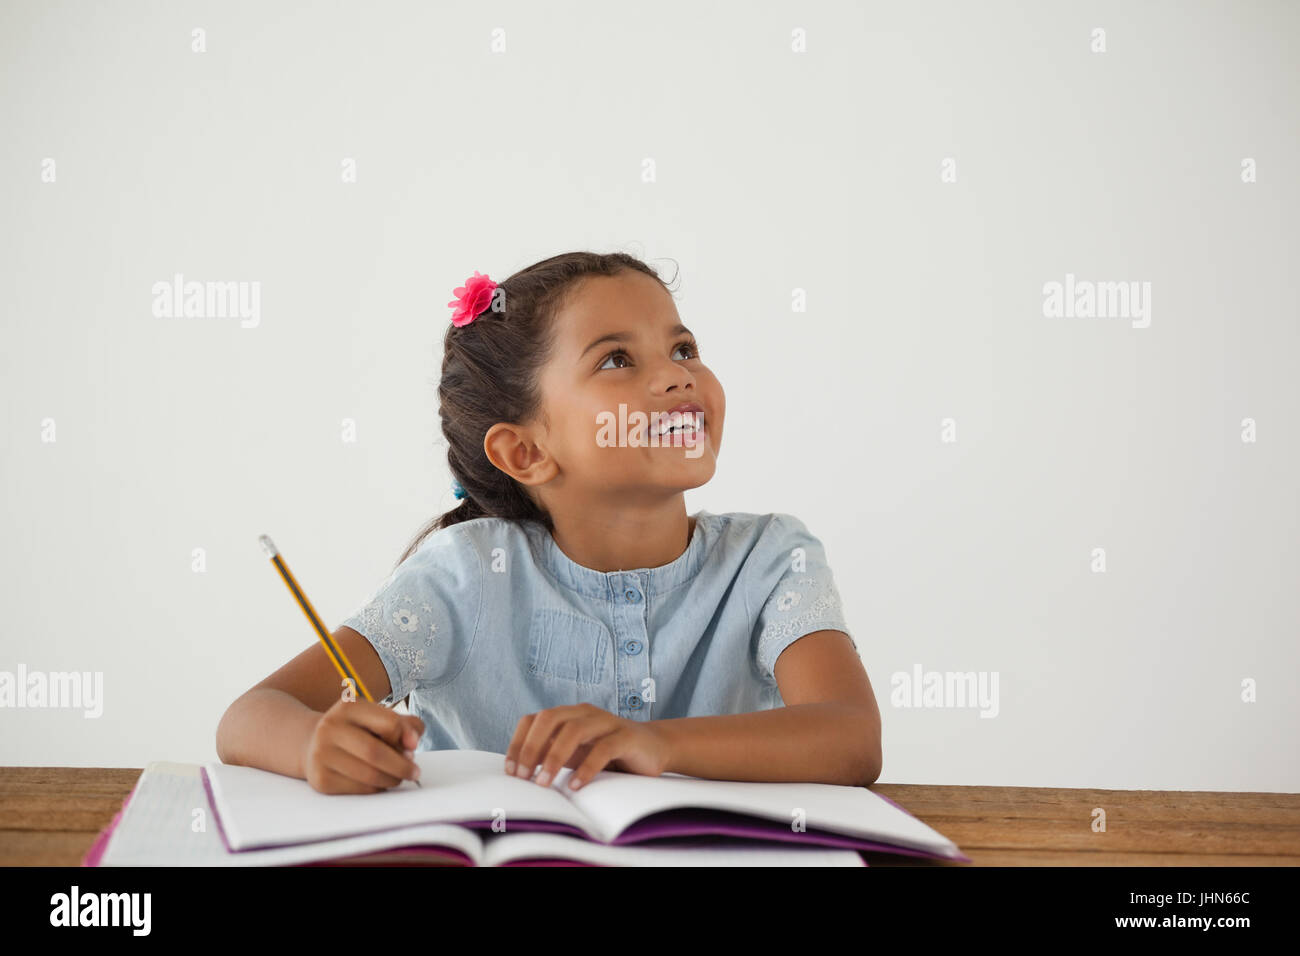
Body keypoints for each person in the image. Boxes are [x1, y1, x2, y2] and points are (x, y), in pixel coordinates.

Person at [216, 251, 881, 795]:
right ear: (525, 452)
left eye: (683, 348)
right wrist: (313, 746)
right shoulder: (465, 576)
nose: (678, 377)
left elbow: (852, 739)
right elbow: (248, 718)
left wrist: (656, 744)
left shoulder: (770, 560)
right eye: (617, 360)